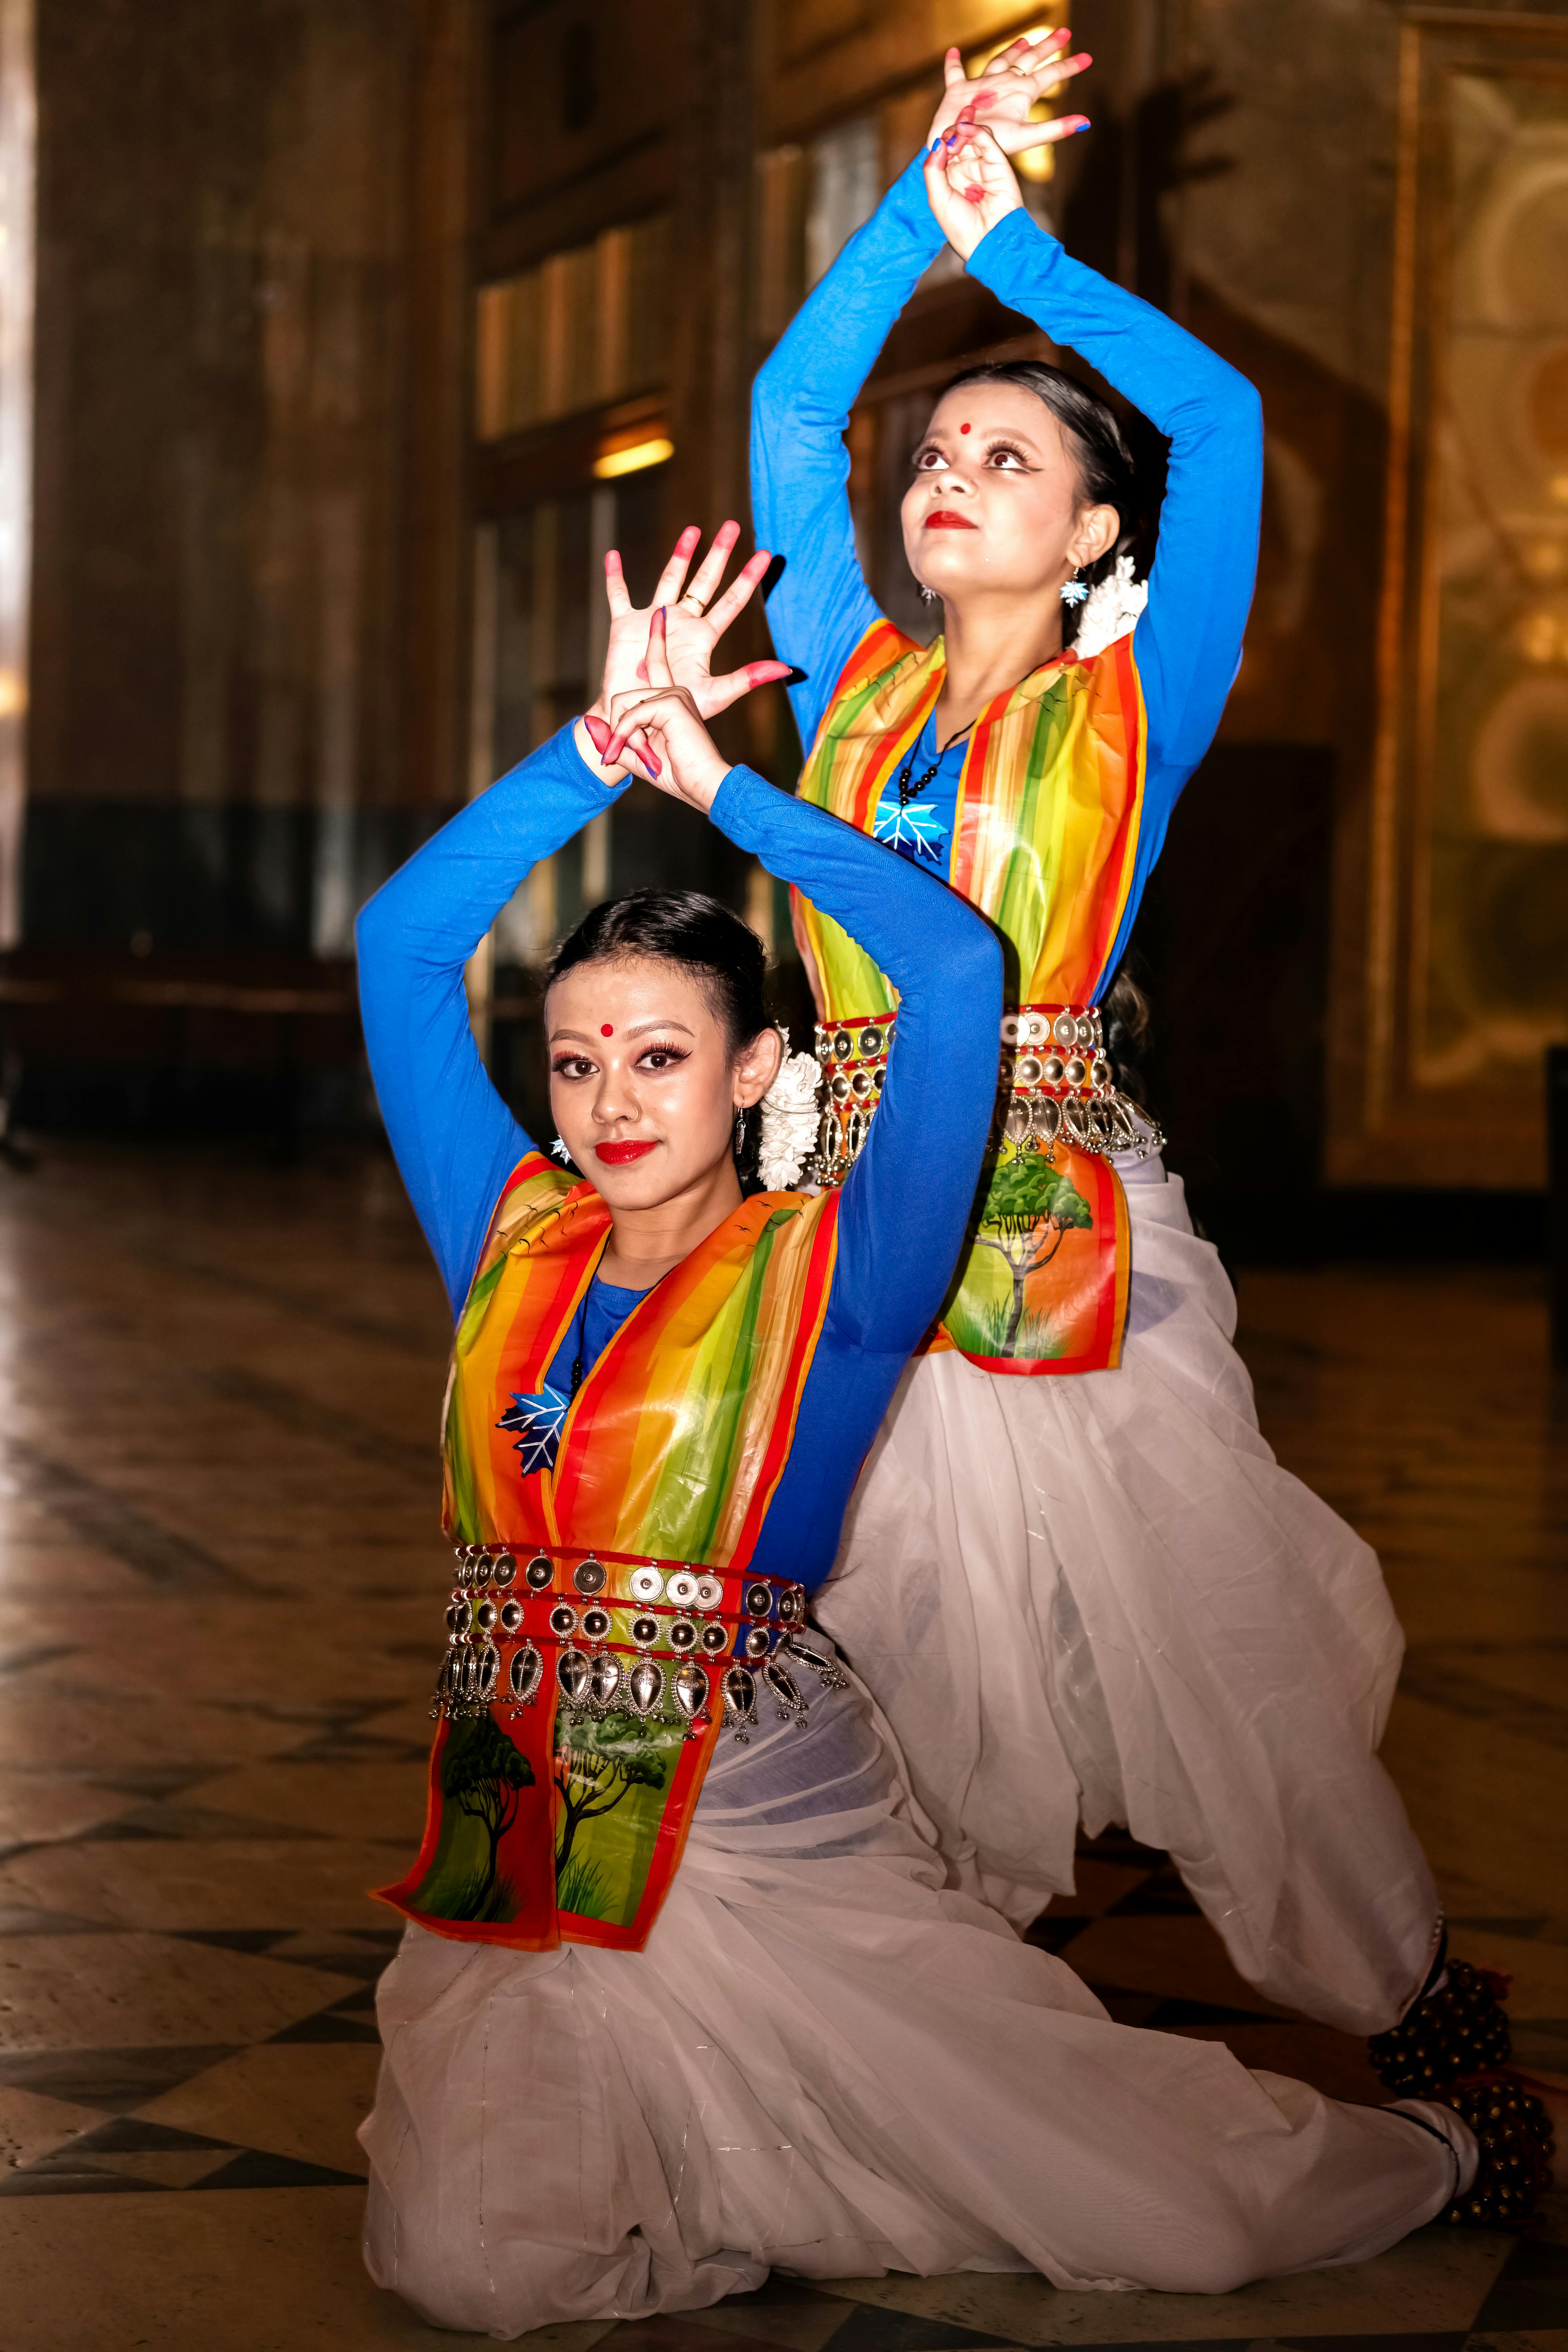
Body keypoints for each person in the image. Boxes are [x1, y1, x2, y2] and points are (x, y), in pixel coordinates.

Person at [350, 534, 1504, 2341]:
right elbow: (403, 943)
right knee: (474, 2267)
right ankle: (739, 2157)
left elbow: (953, 976)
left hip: (766, 1833)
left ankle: (1438, 2146)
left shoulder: (845, 1266)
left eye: (661, 1058)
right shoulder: (502, 1232)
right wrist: (595, 746)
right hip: (523, 1841)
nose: (606, 1104)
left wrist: (720, 780)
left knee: (1175, 2221)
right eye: (577, 1064)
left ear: (752, 1071)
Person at [750, 27, 1501, 2074]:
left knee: (1202, 1665)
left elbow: (1223, 411)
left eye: (1008, 455)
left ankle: (1425, 2027)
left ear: (1094, 533)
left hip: (1066, 1234)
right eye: (941, 453)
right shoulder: (847, 671)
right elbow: (792, 402)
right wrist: (923, 193)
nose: (946, 476)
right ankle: (931, 2046)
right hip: (841, 1229)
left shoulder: (1135, 704)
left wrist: (1028, 260)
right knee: (869, 1649)